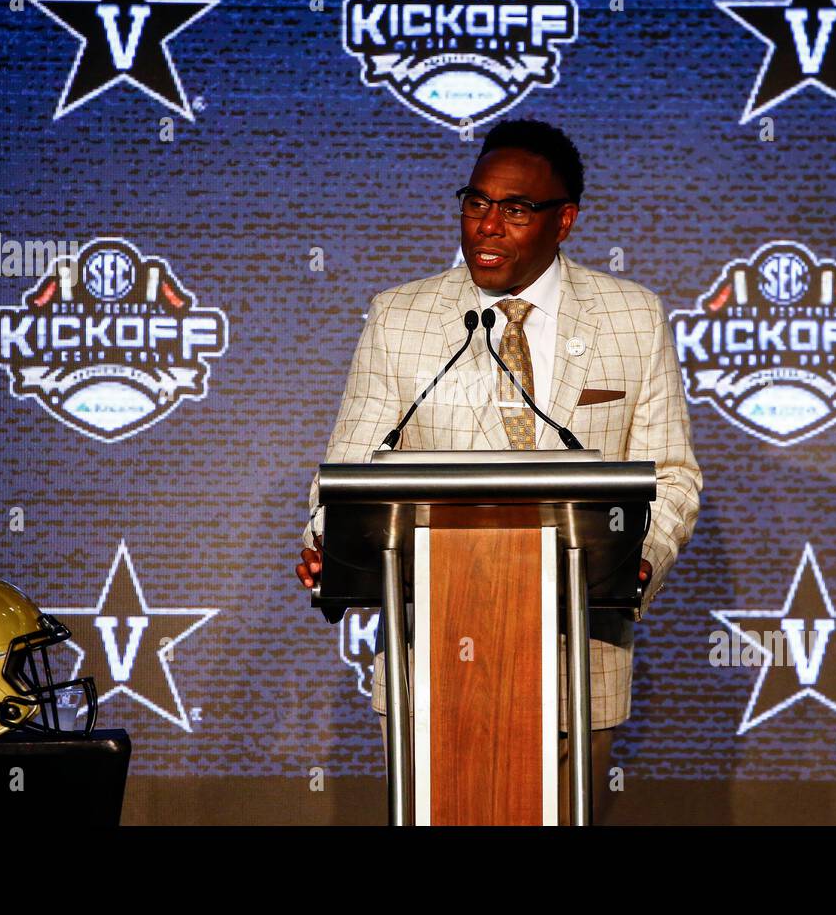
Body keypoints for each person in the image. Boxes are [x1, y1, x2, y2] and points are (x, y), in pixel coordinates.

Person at [295, 119, 703, 823]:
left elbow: (673, 474)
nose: (487, 226)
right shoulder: (401, 318)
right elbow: (351, 465)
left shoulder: (633, 318)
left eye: (515, 210)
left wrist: (644, 555)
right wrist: (326, 538)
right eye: (475, 203)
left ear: (564, 220)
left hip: (581, 664)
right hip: (433, 667)